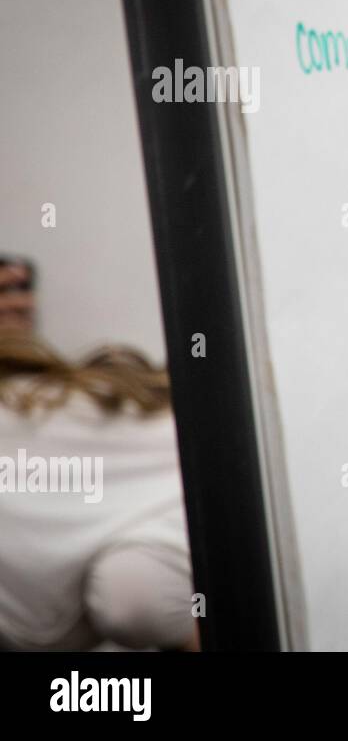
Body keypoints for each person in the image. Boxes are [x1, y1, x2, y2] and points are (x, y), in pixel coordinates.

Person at [0, 258, 199, 651]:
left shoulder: (53, 399)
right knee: (133, 594)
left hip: (203, 475)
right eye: (4, 292)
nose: (16, 303)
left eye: (20, 289)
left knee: (136, 597)